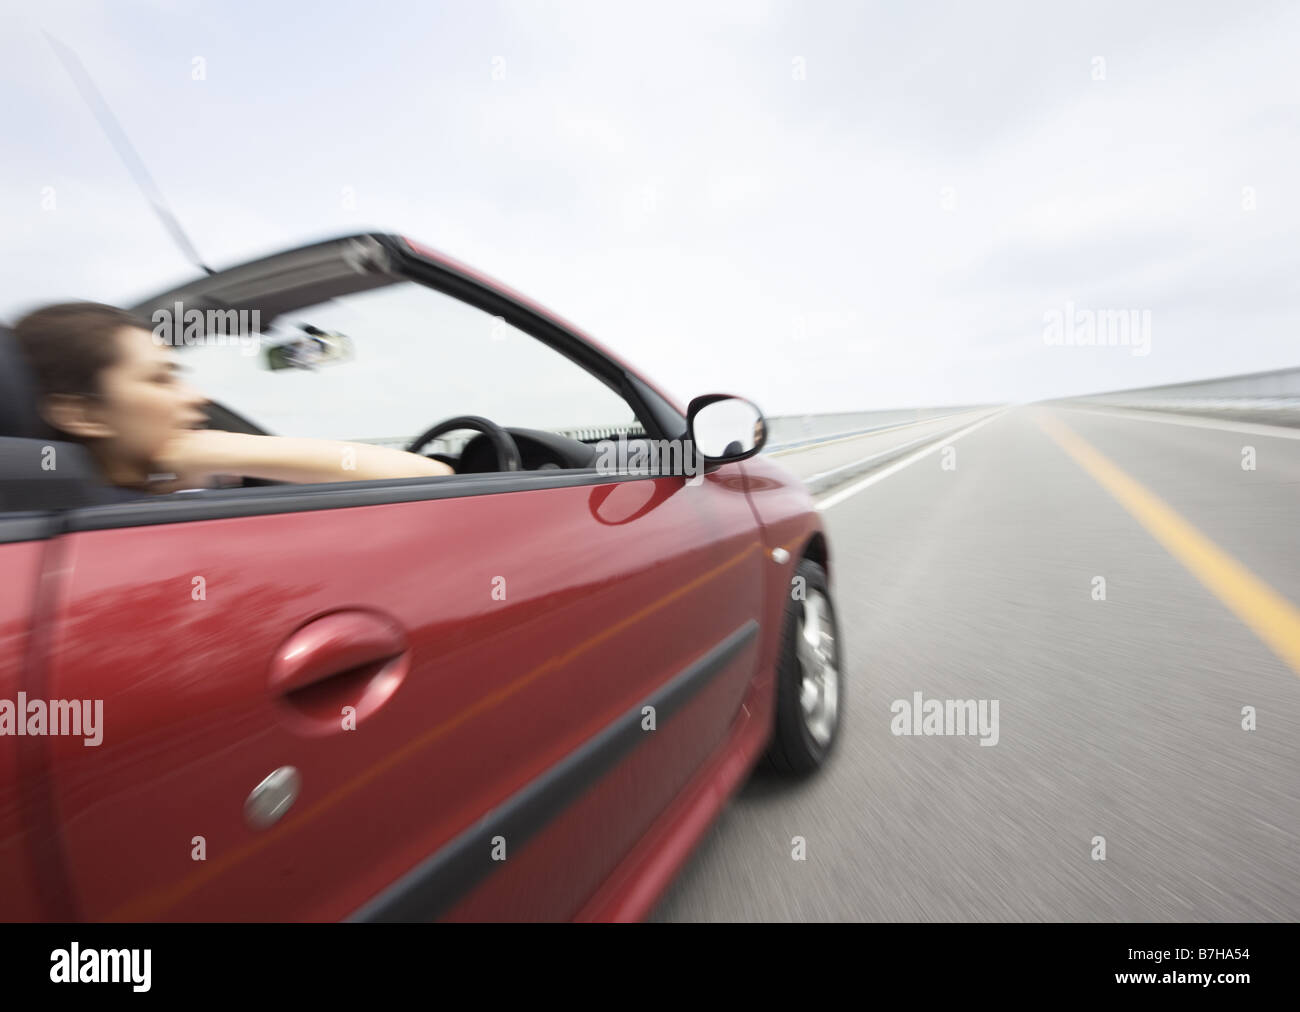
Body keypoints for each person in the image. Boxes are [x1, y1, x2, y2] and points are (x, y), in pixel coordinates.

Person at [10, 302, 454, 496]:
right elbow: (434, 479)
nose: (197, 396)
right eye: (161, 379)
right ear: (84, 415)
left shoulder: (93, 506)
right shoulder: (114, 519)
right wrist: (217, 447)